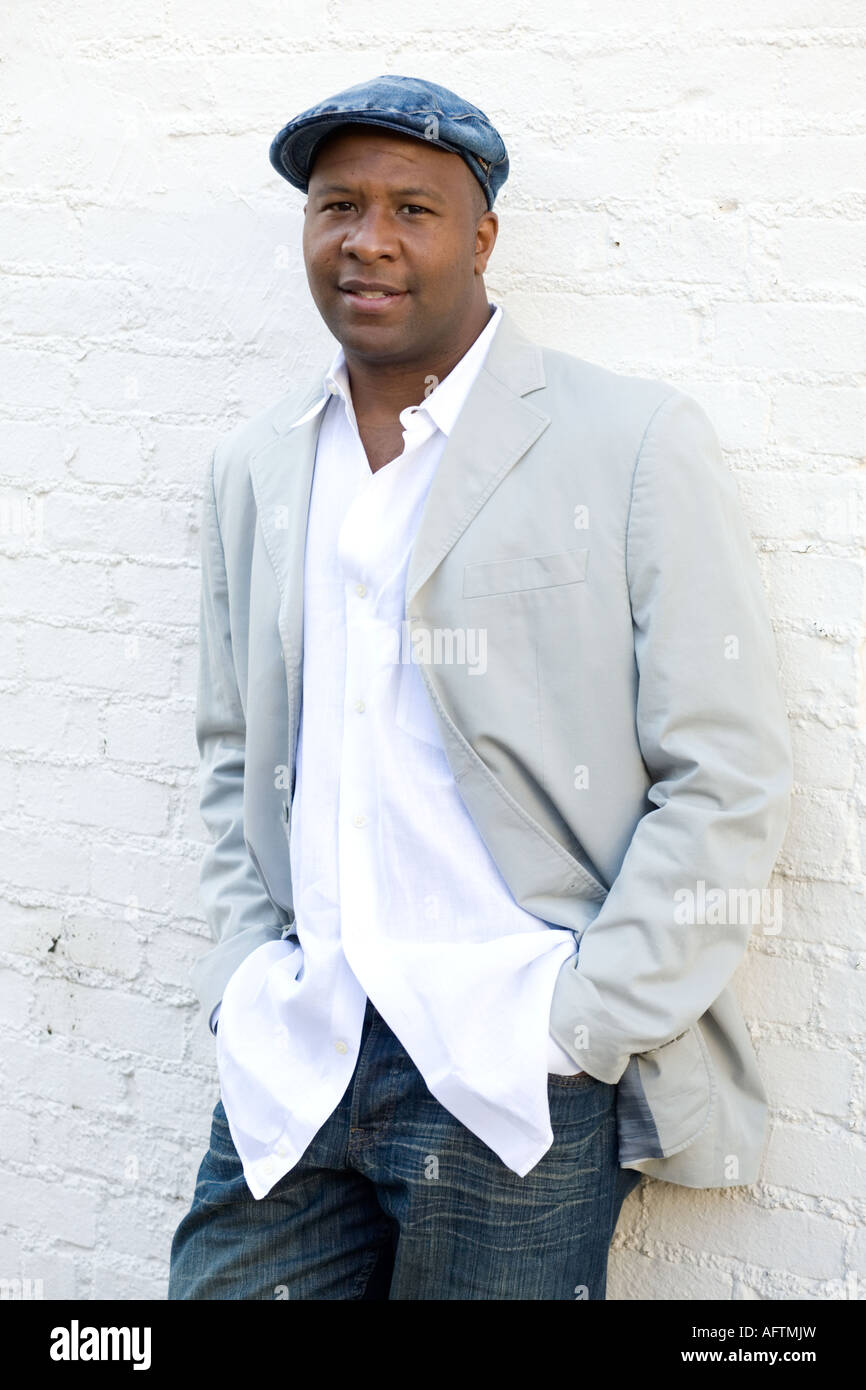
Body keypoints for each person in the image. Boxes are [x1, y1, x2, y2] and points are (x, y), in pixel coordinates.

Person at [167, 74, 793, 1300]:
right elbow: (233, 748)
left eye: (414, 207)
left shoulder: (626, 442)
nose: (370, 240)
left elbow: (725, 772)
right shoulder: (256, 465)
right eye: (338, 205)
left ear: (483, 237)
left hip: (506, 1076)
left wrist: (581, 1024)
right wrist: (243, 979)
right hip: (298, 1053)